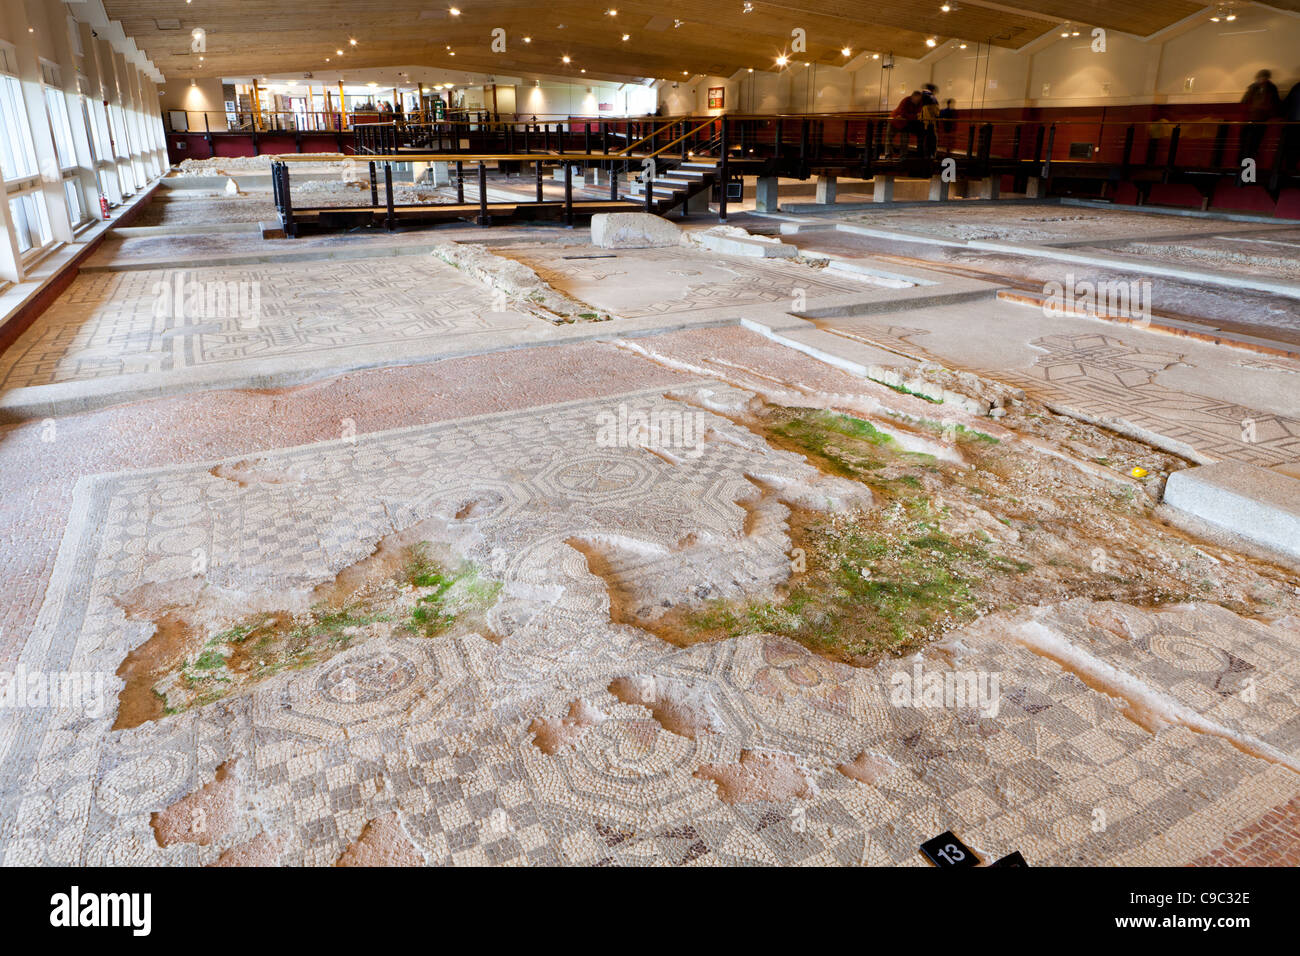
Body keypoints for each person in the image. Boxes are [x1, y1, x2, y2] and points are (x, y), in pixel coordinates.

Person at [1239, 69, 1281, 165]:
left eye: (1263, 77)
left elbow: (1274, 104)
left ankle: (1248, 173)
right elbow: (1244, 102)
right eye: (1260, 77)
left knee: (1253, 146)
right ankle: (1245, 171)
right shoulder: (1253, 87)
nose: (1261, 80)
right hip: (1249, 121)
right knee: (1246, 146)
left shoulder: (1271, 88)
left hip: (1260, 121)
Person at [890, 90, 925, 158]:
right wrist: (914, 116)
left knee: (904, 141)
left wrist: (910, 116)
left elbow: (919, 114)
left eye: (919, 99)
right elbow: (903, 113)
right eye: (917, 99)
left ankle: (903, 156)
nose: (917, 101)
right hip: (894, 121)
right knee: (889, 140)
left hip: (905, 124)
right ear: (912, 97)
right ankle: (888, 155)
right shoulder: (905, 101)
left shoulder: (920, 103)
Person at [920, 83, 941, 158]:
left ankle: (923, 157)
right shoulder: (932, 98)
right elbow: (936, 112)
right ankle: (931, 156)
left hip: (922, 122)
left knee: (923, 140)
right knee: (932, 140)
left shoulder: (921, 96)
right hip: (930, 123)